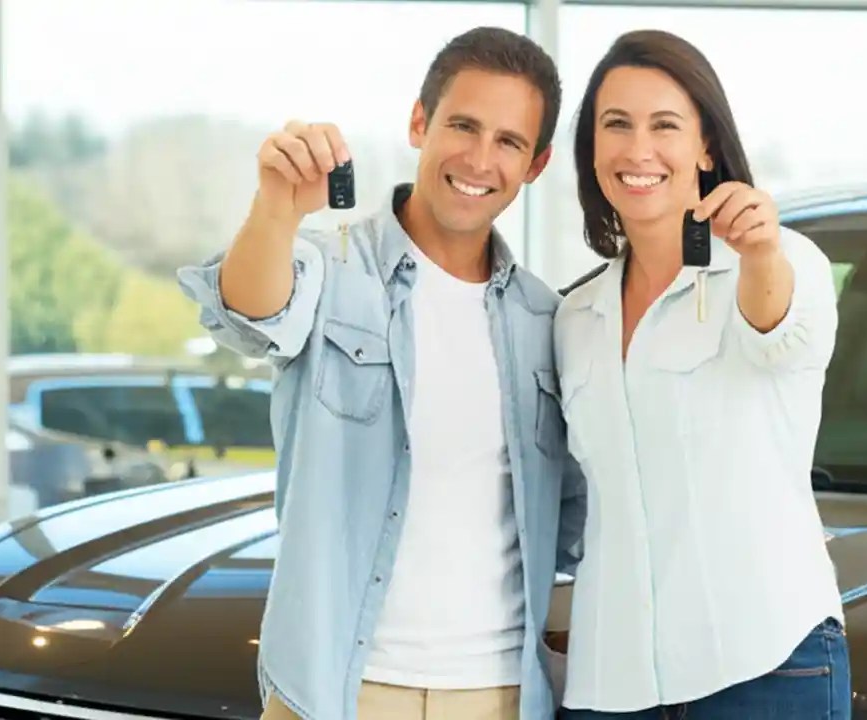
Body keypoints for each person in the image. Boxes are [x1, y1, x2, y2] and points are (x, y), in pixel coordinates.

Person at [177, 26, 586, 720]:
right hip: (334, 691)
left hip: (500, 695)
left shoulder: (547, 320)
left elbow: (578, 514)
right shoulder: (331, 268)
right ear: (420, 122)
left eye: (509, 142)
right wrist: (276, 206)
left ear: (536, 164)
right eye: (463, 125)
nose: (479, 159)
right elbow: (249, 311)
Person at [552, 29, 850, 719]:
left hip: (765, 666)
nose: (638, 149)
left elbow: (777, 335)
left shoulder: (783, 264)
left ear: (706, 146)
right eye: (616, 125)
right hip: (610, 684)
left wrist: (761, 254)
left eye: (665, 125)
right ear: (592, 148)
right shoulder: (574, 317)